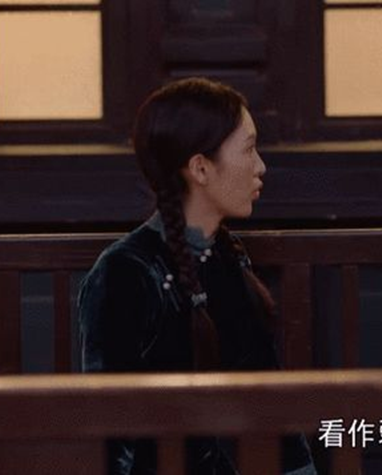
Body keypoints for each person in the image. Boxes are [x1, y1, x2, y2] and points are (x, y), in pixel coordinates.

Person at [78, 77, 316, 475]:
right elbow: (111, 436)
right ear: (200, 168)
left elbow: (271, 406)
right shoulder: (125, 271)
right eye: (249, 149)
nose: (261, 167)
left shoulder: (226, 255)